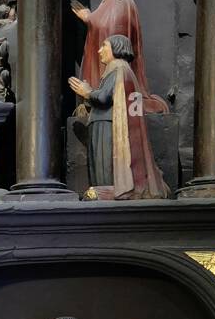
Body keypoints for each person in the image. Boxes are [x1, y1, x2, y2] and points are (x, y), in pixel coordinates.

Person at [68, 35, 170, 200]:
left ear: (116, 48)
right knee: (99, 163)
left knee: (103, 164)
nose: (100, 50)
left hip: (106, 125)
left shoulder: (119, 69)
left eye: (104, 46)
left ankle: (105, 190)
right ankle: (102, 188)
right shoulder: (122, 71)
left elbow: (103, 98)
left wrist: (87, 91)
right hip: (103, 122)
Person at [71, 0, 167, 114]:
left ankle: (101, 96)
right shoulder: (113, 0)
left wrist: (89, 18)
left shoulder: (120, 1)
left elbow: (113, 32)